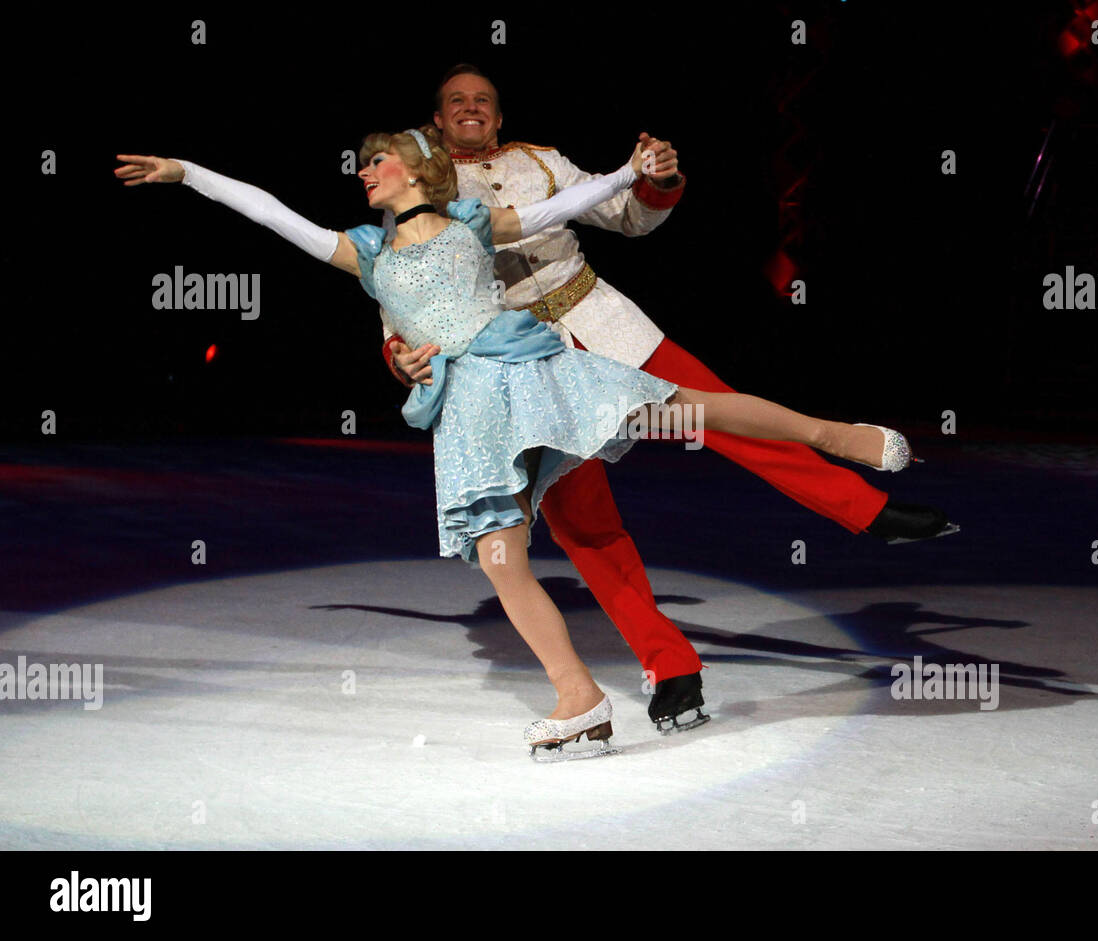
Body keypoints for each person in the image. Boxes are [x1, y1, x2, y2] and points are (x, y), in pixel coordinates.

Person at [114, 125, 950, 760]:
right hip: (473, 413)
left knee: (693, 406)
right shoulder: (363, 253)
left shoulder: (474, 220)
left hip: (539, 372)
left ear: (413, 167)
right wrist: (188, 174)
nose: (362, 172)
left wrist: (628, 173)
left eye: (375, 159)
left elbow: (558, 209)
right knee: (499, 555)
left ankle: (843, 436)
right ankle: (578, 696)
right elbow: (271, 214)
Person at [379, 65, 956, 734]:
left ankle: (869, 508)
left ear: (500, 117)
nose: (470, 108)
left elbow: (626, 216)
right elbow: (401, 302)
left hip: (605, 327)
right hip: (528, 377)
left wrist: (654, 178)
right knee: (587, 526)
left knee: (725, 416)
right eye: (456, 102)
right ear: (438, 118)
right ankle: (670, 664)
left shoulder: (541, 162)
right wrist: (402, 357)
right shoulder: (419, 194)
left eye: (482, 100)